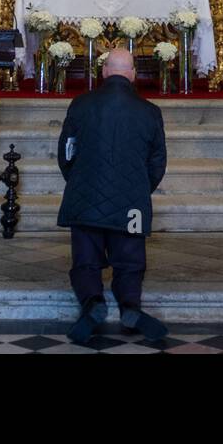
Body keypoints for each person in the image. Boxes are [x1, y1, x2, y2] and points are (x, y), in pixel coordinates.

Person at [57, 48, 168, 344]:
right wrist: (139, 190)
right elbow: (158, 162)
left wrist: (79, 181)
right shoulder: (150, 111)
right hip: (131, 204)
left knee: (86, 260)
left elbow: (66, 152)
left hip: (85, 198)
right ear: (132, 75)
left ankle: (93, 303)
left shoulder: (80, 105)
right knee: (130, 260)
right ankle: (130, 306)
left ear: (104, 72)